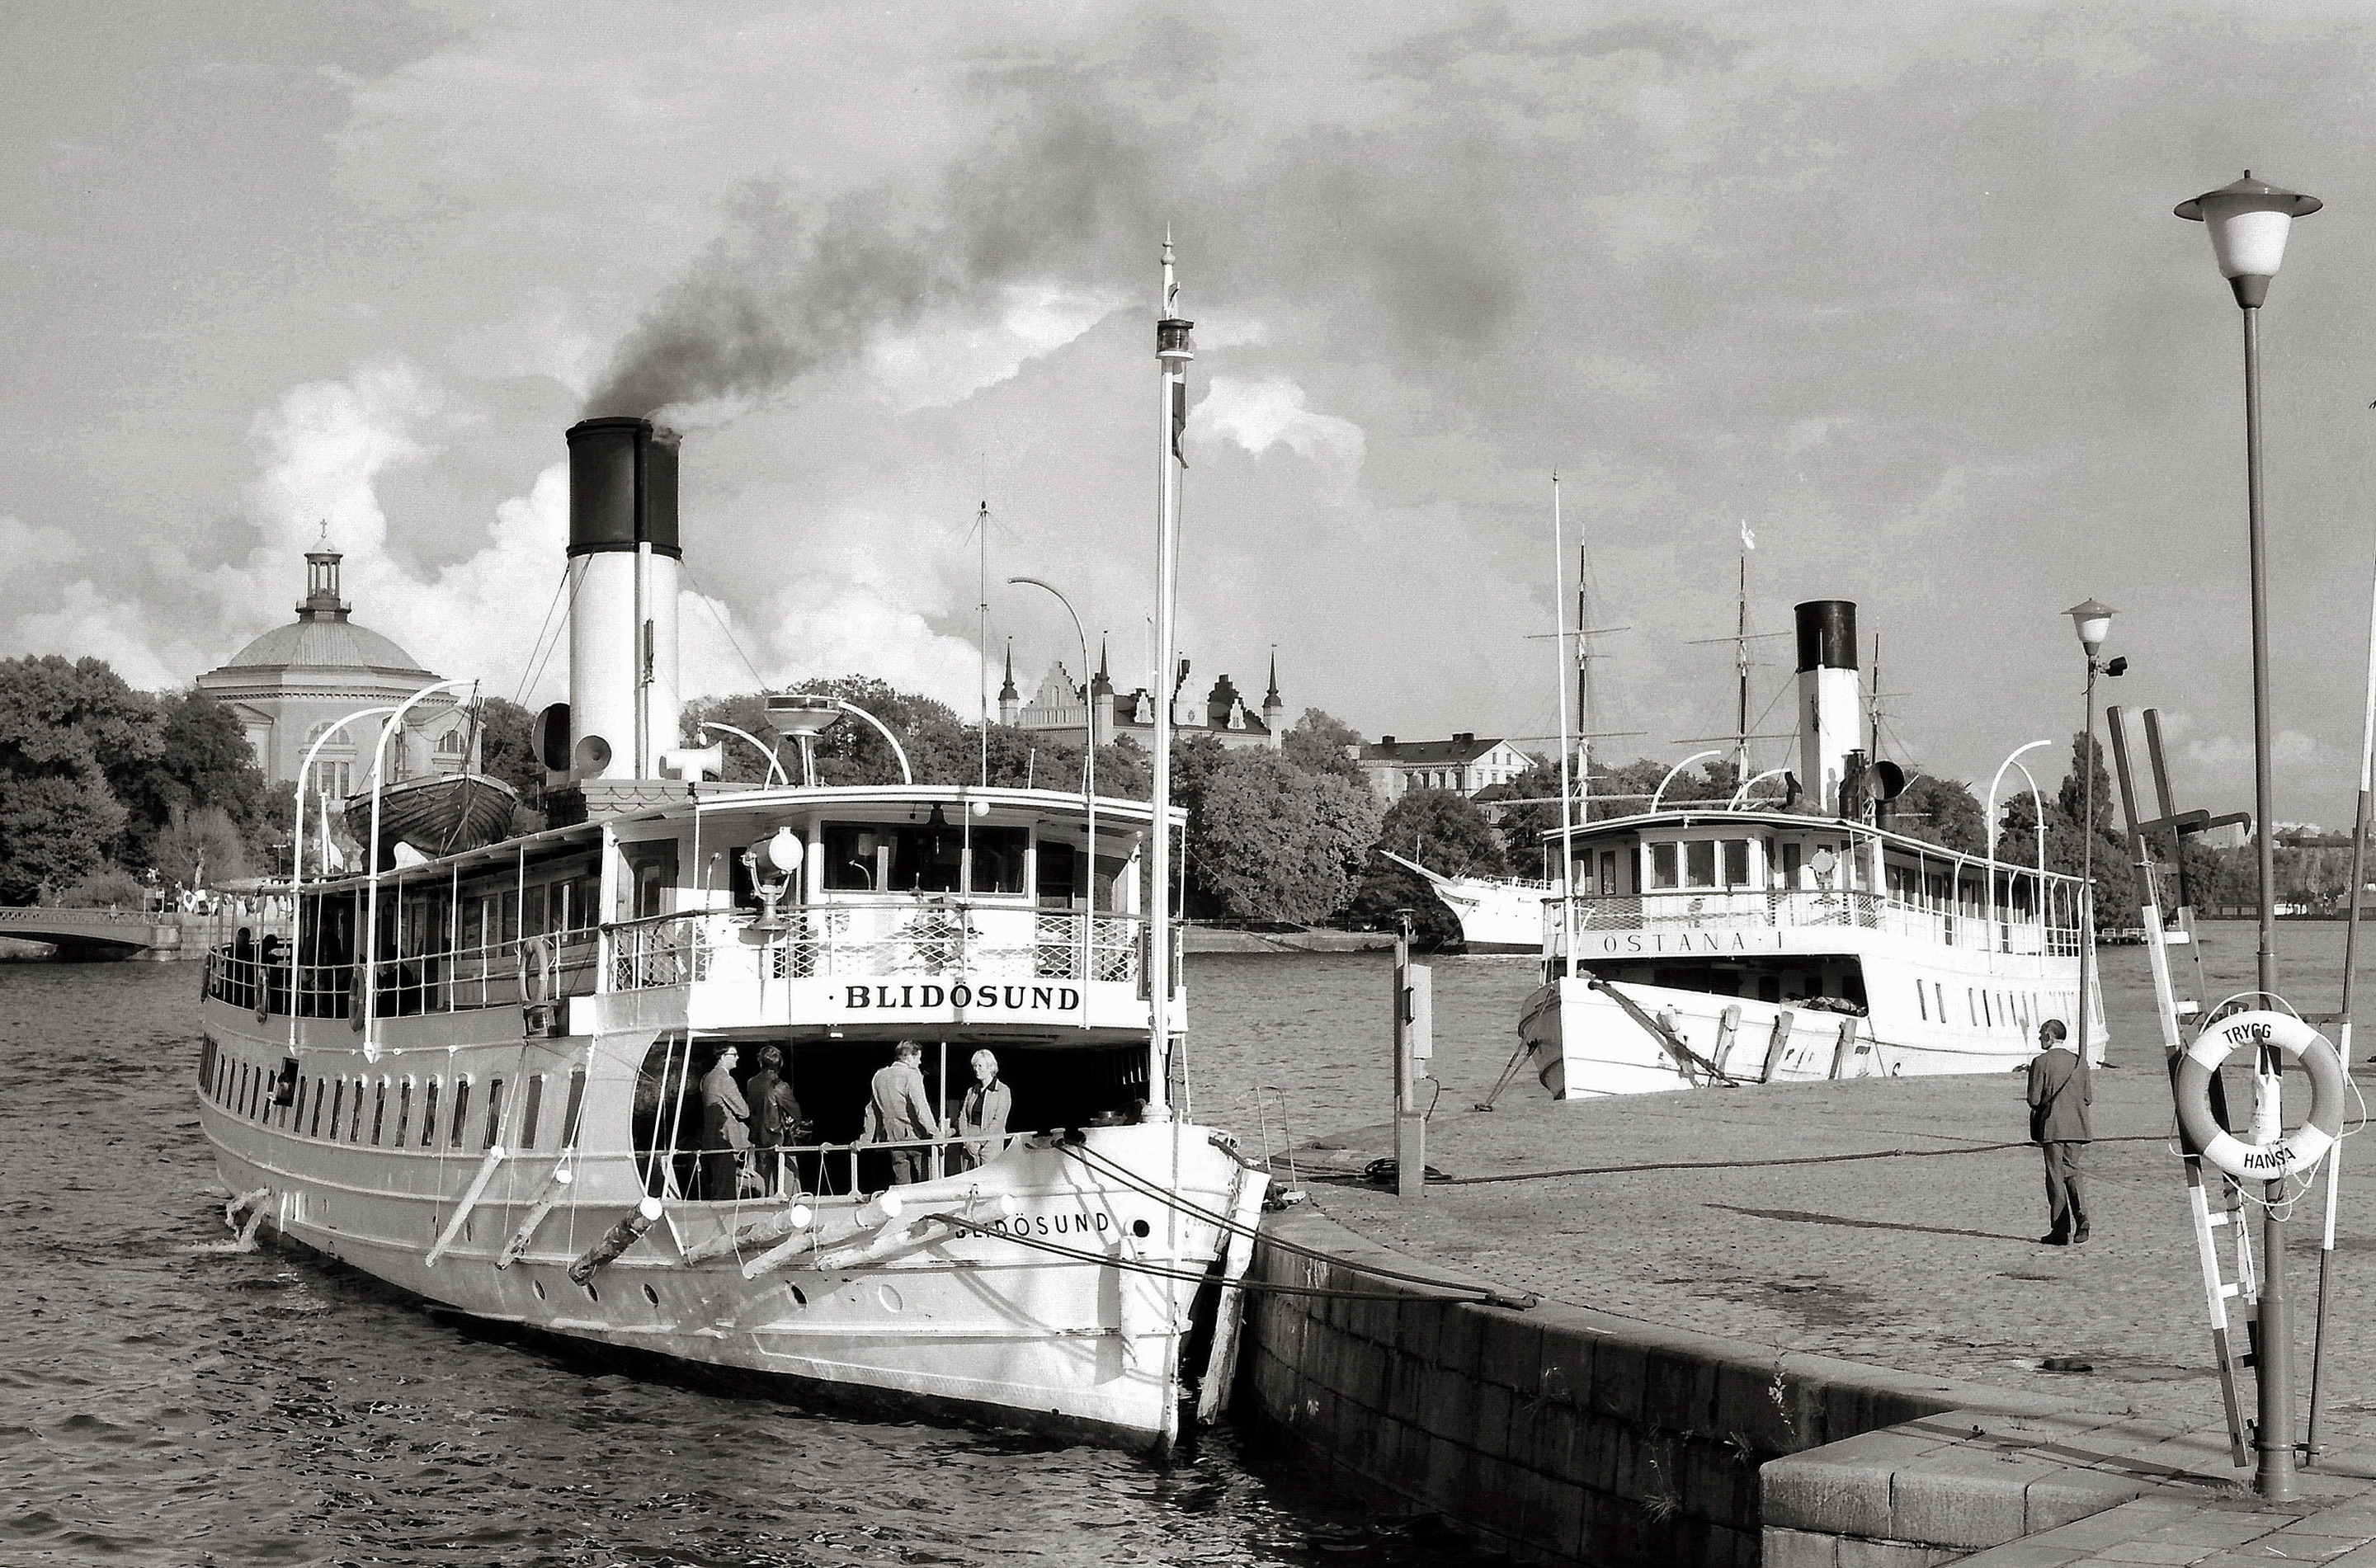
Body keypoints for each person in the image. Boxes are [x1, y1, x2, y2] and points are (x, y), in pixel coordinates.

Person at [2027, 1019, 2091, 1245]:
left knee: (2055, 1176)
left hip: (2052, 1127)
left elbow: (2033, 1100)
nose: (2039, 1038)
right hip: (2077, 1126)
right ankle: (2082, 1217)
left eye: (2040, 1034)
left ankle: (2060, 1229)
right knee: (2072, 1172)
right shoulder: (2079, 1062)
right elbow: (2087, 1098)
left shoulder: (2040, 1062)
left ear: (2049, 1036)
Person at [863, 1040, 940, 1186]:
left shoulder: (879, 1076)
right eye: (918, 1058)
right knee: (924, 1184)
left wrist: (866, 1138)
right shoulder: (911, 1075)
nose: (920, 1062)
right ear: (909, 1057)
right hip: (915, 1137)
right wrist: (935, 1132)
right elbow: (921, 1108)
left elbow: (872, 1111)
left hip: (892, 1138)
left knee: (902, 1183)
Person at [744, 1044, 805, 1194]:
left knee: (765, 1182)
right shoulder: (780, 1086)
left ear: (760, 1063)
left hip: (759, 1140)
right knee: (788, 1182)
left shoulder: (751, 1083)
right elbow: (796, 1113)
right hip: (779, 1139)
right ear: (780, 1064)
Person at [698, 1043, 751, 1201]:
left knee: (717, 1186)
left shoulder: (707, 1078)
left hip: (710, 1140)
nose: (737, 1058)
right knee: (726, 1191)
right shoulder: (725, 1079)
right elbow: (744, 1111)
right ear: (722, 1057)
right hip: (725, 1142)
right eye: (734, 1055)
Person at [955, 1048, 1011, 1170]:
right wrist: (966, 1141)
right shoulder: (972, 1091)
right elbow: (963, 1116)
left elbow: (998, 1121)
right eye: (975, 1066)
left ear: (990, 1067)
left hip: (991, 1145)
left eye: (980, 1066)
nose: (976, 1069)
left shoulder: (1003, 1091)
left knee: (990, 1178)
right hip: (969, 1143)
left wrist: (979, 1143)